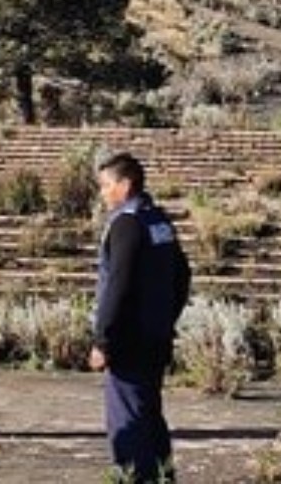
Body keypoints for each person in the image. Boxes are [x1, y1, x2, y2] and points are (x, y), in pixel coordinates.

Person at [90, 152, 192, 484]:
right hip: (155, 337)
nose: (103, 193)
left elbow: (117, 285)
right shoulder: (158, 221)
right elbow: (182, 276)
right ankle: (163, 476)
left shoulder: (126, 224)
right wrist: (165, 318)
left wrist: (103, 339)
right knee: (150, 415)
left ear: (125, 184)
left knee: (128, 421)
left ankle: (135, 478)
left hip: (128, 342)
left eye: (106, 186)